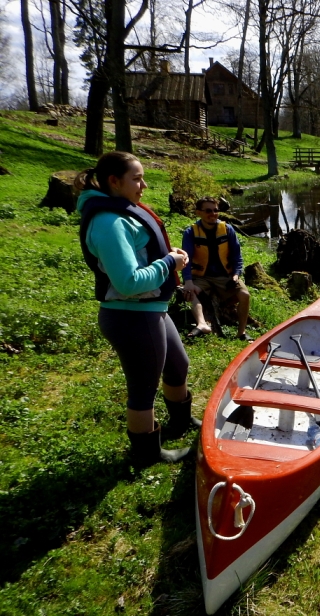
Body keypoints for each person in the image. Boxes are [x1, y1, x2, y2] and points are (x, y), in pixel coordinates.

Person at [76, 151, 200, 465]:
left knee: (177, 365)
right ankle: (147, 454)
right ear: (114, 182)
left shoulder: (122, 212)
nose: (143, 186)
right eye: (137, 179)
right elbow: (129, 281)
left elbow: (138, 259)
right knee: (144, 386)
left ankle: (181, 422)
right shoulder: (109, 222)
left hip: (151, 310)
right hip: (131, 317)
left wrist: (165, 256)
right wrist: (169, 262)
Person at [181, 196, 252, 341]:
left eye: (215, 210)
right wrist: (187, 281)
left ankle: (242, 332)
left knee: (244, 295)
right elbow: (185, 259)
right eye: (208, 210)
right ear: (198, 212)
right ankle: (201, 324)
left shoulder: (227, 229)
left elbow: (237, 257)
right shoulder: (190, 232)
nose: (212, 214)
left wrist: (236, 275)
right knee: (190, 291)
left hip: (225, 276)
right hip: (201, 277)